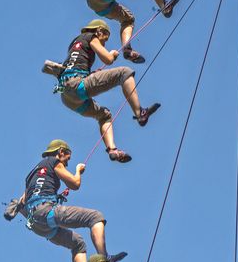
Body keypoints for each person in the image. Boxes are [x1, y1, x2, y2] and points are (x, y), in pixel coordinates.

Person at [3, 139, 126, 262]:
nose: (67, 162)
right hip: (46, 211)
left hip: (38, 224)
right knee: (95, 217)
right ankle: (105, 259)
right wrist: (78, 171)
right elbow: (75, 184)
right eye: (68, 158)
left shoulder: (32, 174)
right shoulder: (53, 161)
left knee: (78, 243)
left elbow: (24, 199)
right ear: (61, 152)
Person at [49, 19, 160, 163]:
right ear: (99, 31)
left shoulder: (75, 45)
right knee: (124, 73)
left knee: (104, 116)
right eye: (105, 39)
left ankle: (112, 150)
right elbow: (107, 59)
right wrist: (112, 54)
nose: (104, 43)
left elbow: (75, 66)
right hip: (78, 86)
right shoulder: (91, 37)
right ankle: (140, 113)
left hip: (67, 97)